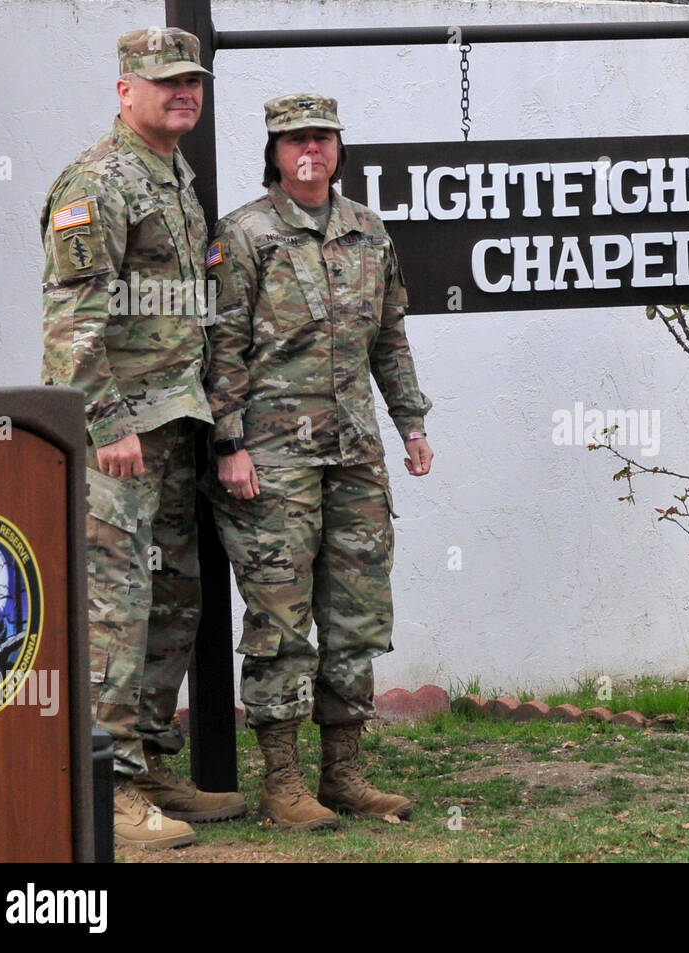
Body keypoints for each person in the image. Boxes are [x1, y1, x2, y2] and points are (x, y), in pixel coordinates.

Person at [40, 27, 246, 850]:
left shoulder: (174, 177)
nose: (182, 92)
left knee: (173, 602)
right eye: (165, 82)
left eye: (190, 80)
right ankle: (108, 788)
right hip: (120, 436)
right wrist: (106, 424)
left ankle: (151, 758)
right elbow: (72, 325)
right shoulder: (97, 180)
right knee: (115, 609)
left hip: (174, 426)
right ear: (126, 91)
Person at [205, 94, 433, 830]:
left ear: (339, 148)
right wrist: (229, 443)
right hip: (274, 462)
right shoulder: (243, 235)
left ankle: (344, 773)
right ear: (274, 150)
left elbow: (390, 339)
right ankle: (281, 781)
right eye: (296, 138)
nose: (311, 149)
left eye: (323, 137)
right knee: (280, 618)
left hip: (356, 453)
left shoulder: (369, 231)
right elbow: (223, 348)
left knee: (356, 612)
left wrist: (412, 423)